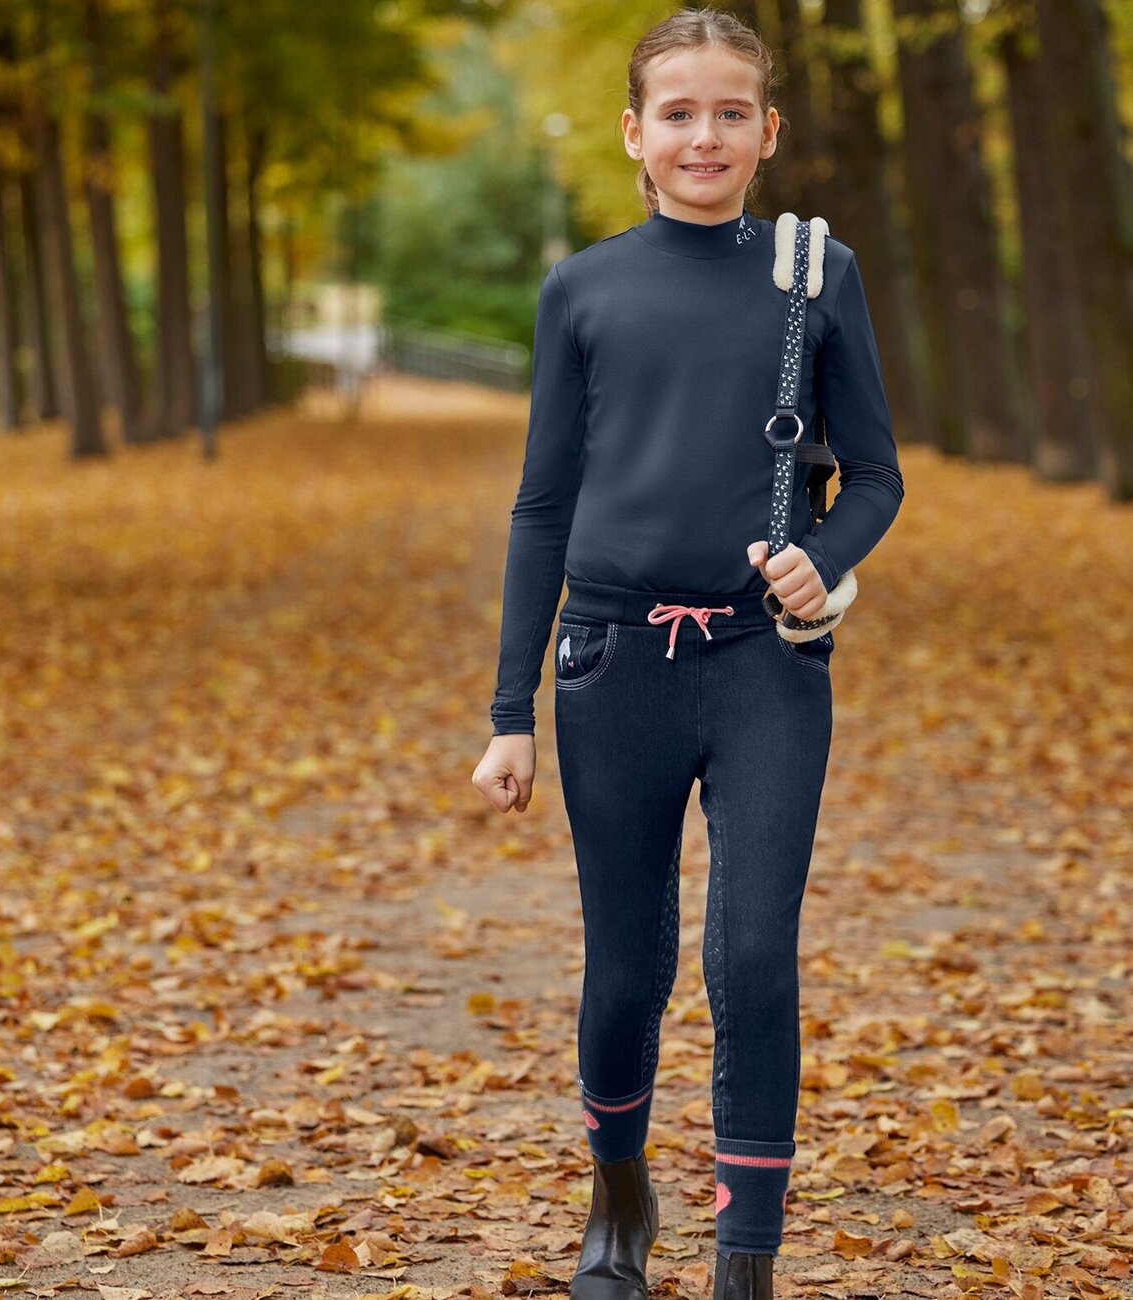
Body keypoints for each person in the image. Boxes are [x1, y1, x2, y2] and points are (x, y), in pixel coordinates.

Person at [470, 8, 904, 1300]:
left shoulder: (819, 276)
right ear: (633, 135)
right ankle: (618, 1196)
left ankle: (746, 1262)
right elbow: (543, 505)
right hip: (612, 667)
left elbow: (874, 476)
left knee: (755, 957)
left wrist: (821, 563)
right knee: (628, 971)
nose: (702, 136)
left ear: (767, 133)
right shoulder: (585, 288)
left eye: (729, 113)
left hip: (765, 663)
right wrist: (511, 710)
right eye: (677, 113)